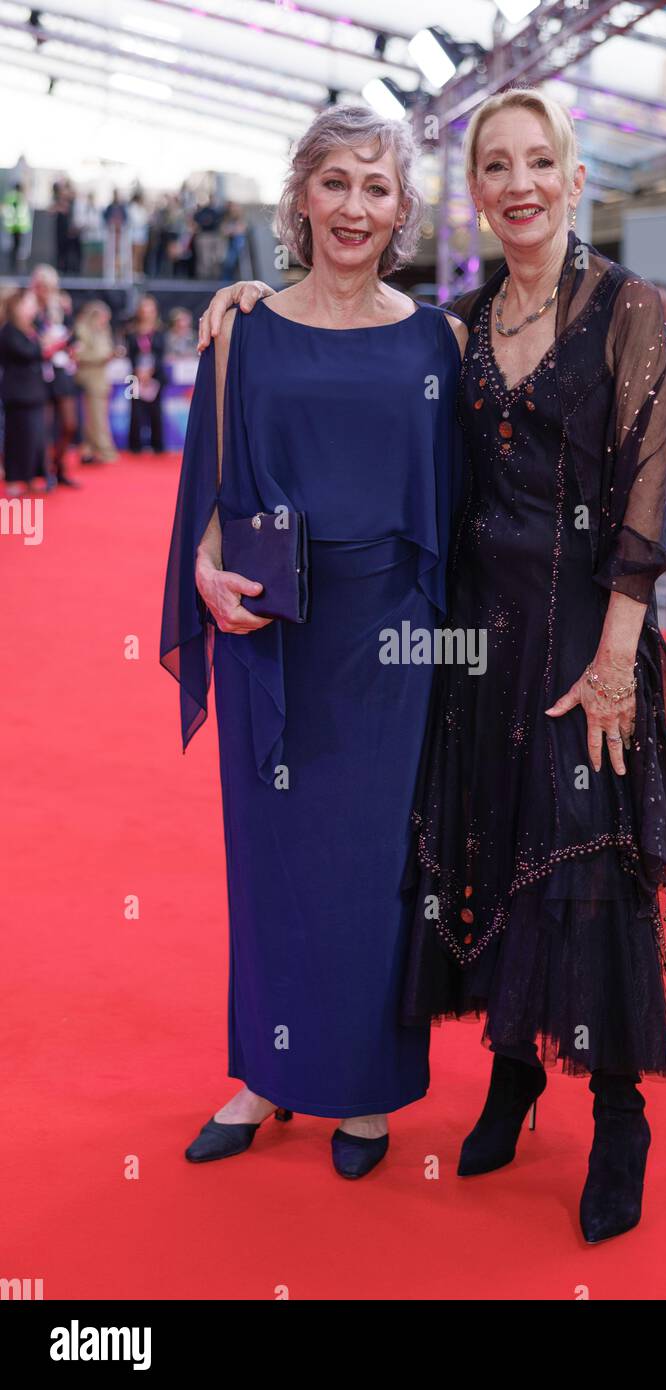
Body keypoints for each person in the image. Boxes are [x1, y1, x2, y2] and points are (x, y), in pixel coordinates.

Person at [199, 87, 666, 1243]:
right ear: (476, 194)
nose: (519, 183)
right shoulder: (465, 327)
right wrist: (240, 302)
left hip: (571, 634)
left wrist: (621, 650)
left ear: (573, 179)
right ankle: (513, 1072)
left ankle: (618, 1112)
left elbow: (645, 487)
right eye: (497, 165)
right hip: (468, 635)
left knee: (586, 861)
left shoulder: (624, 309)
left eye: (540, 162)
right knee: (499, 845)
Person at [160, 105, 466, 1178]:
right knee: (272, 863)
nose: (354, 206)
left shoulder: (441, 338)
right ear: (300, 198)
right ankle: (264, 1074)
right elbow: (210, 480)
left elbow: (468, 499)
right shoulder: (243, 326)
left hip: (391, 648)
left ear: (402, 211)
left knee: (374, 868)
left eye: (376, 188)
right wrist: (204, 570)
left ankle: (369, 1091)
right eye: (335, 182)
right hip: (271, 633)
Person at [31, 264, 81, 490]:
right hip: (39, 371)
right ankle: (46, 472)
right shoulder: (29, 309)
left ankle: (58, 466)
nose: (44, 290)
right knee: (45, 426)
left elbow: (73, 334)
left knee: (69, 424)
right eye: (40, 285)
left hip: (61, 370)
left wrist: (65, 344)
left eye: (48, 286)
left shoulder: (61, 305)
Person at [0, 288, 46, 495]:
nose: (31, 308)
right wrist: (44, 347)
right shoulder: (8, 330)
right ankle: (12, 478)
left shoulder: (31, 329)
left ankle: (30, 477)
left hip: (34, 390)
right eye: (27, 304)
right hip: (17, 393)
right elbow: (27, 353)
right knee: (16, 436)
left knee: (34, 438)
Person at [74, 300, 119, 464]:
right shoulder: (82, 330)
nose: (105, 322)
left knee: (96, 417)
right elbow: (78, 356)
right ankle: (105, 451)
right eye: (103, 318)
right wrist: (103, 357)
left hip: (101, 379)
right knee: (96, 418)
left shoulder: (103, 331)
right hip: (88, 378)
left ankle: (90, 450)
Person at [125, 295, 166, 454]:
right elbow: (130, 354)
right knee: (135, 412)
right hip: (135, 377)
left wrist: (150, 371)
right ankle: (135, 445)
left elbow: (161, 354)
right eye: (144, 309)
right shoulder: (131, 332)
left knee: (156, 411)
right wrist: (138, 371)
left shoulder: (160, 331)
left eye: (150, 310)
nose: (147, 313)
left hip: (155, 377)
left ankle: (157, 444)